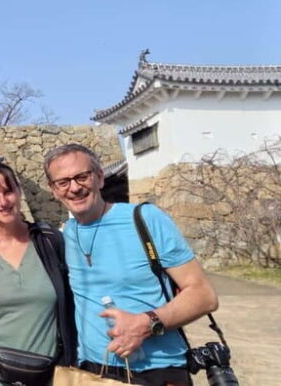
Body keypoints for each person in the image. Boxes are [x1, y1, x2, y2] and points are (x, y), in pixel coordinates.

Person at [44, 143, 219, 386]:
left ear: (100, 178)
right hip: (93, 372)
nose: (74, 188)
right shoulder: (66, 234)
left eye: (82, 177)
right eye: (63, 182)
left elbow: (204, 295)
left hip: (158, 371)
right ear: (53, 190)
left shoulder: (145, 219)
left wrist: (147, 323)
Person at [0, 158, 76, 385]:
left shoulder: (49, 242)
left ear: (19, 191)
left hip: (49, 376)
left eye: (8, 191)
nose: (3, 201)